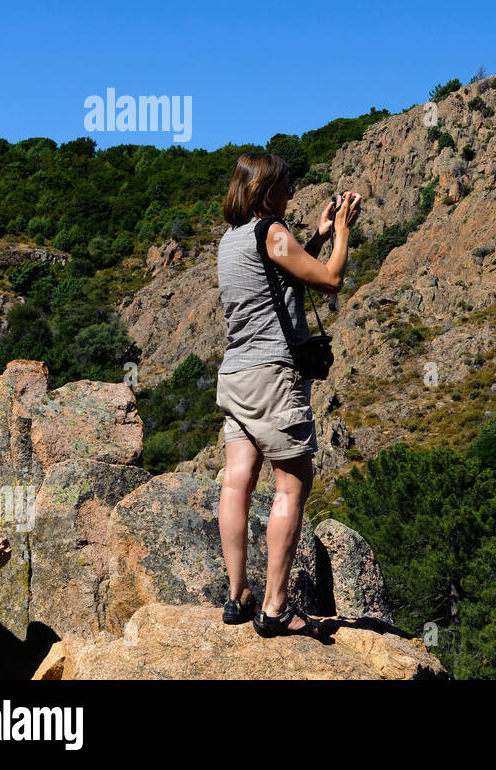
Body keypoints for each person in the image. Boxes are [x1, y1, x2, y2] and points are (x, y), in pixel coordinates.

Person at [213, 152, 362, 638]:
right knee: (292, 485)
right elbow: (330, 279)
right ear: (266, 189)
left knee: (237, 482)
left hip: (234, 375)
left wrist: (313, 236)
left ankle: (236, 597)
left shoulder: (229, 242)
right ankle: (275, 608)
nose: (292, 194)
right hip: (272, 375)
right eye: (286, 185)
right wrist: (340, 232)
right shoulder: (272, 234)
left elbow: (276, 276)